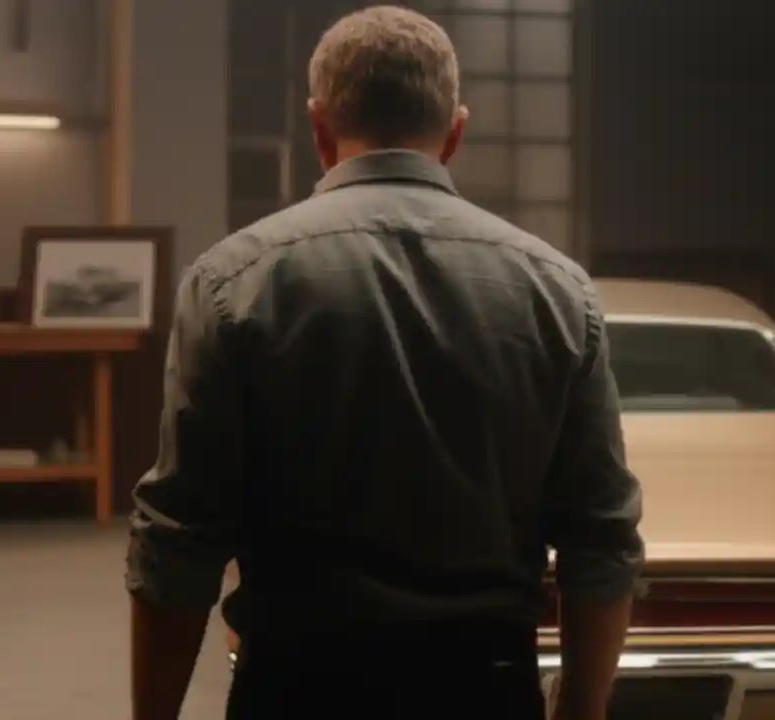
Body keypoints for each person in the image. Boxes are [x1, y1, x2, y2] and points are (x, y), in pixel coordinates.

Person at [125, 6, 643, 720]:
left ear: (319, 129)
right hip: (486, 684)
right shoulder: (556, 289)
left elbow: (178, 541)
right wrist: (580, 711)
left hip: (297, 686)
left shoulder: (231, 283)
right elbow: (601, 539)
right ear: (454, 133)